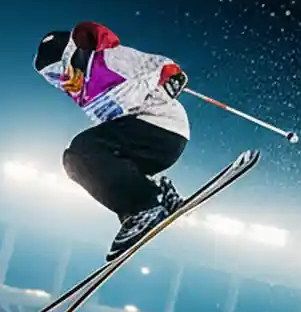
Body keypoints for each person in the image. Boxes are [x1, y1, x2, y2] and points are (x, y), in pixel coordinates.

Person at [34, 21, 190, 261]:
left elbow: (156, 64)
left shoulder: (107, 59)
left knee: (80, 152)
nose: (65, 82)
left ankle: (145, 206)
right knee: (77, 163)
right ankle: (152, 199)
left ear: (75, 58)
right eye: (55, 79)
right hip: (150, 140)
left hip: (162, 128)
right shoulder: (83, 92)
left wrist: (171, 76)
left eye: (64, 73)